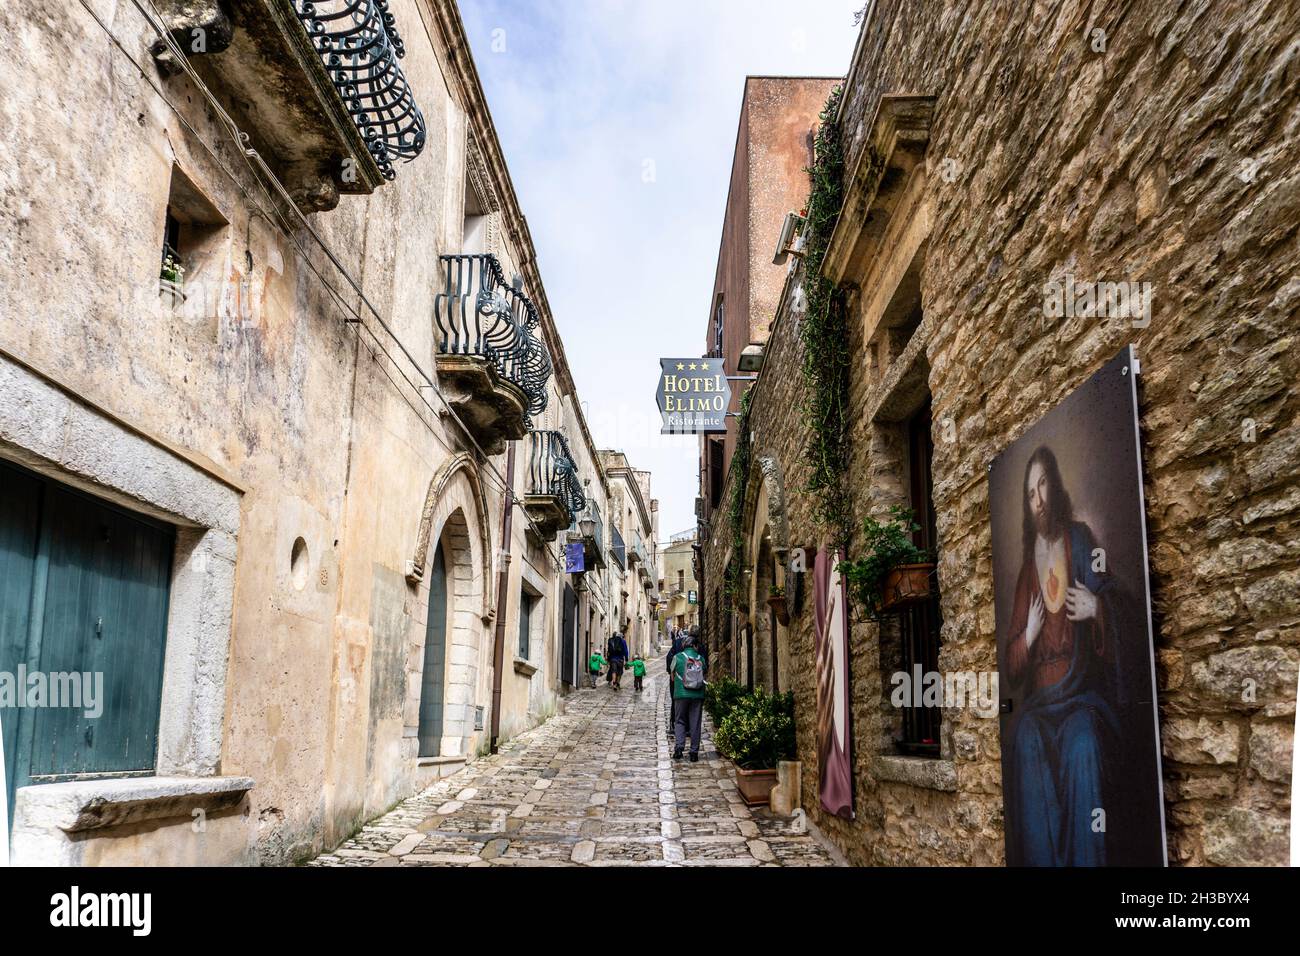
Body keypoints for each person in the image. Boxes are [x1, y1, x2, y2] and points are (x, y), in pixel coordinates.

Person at [671, 631, 707, 761]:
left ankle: (679, 748)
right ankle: (693, 753)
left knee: (679, 721)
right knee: (695, 723)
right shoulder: (700, 658)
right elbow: (704, 672)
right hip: (697, 694)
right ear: (695, 646)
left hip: (681, 694)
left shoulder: (677, 657)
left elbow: (672, 676)